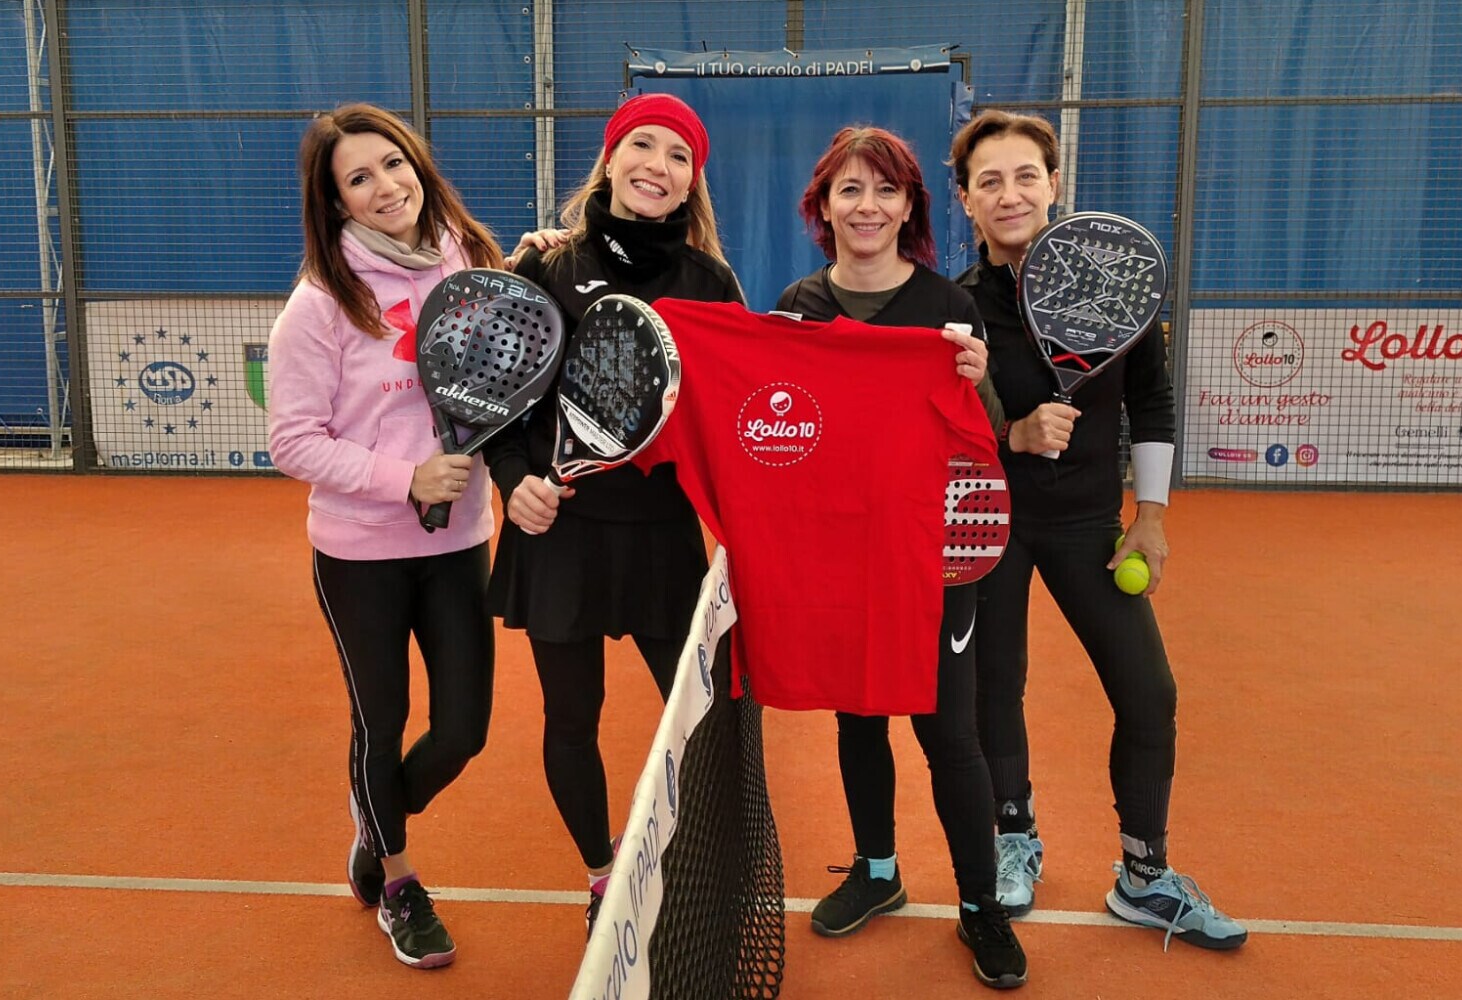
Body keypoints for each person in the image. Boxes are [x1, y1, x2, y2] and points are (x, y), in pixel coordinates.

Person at [949, 110, 1247, 950]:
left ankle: (1144, 876)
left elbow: (1150, 400)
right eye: (989, 181)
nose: (1009, 194)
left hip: (1087, 521)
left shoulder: (1120, 285)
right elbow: (940, 426)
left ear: (1054, 185)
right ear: (966, 200)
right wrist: (1011, 431)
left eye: (1026, 176)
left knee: (1149, 693)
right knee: (995, 688)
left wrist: (1149, 516)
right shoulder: (957, 306)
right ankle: (1013, 838)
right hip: (992, 520)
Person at [482, 93, 745, 934]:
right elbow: (503, 400)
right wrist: (513, 481)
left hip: (664, 536)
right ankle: (602, 877)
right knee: (572, 718)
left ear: (692, 180)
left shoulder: (711, 283)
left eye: (678, 154)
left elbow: (736, 414)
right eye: (642, 145)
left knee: (706, 718)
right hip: (559, 535)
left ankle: (696, 866)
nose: (656, 165)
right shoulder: (546, 267)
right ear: (610, 158)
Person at [774, 125, 1026, 990]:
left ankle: (980, 905)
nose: (868, 206)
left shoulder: (949, 308)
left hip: (934, 560)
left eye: (885, 190)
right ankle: (877, 871)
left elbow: (989, 436)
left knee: (949, 732)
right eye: (850, 189)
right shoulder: (799, 307)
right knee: (858, 718)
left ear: (911, 205)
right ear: (824, 205)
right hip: (841, 557)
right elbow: (783, 429)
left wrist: (979, 377)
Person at [265, 102, 505, 969]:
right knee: (383, 719)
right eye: (358, 179)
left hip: (458, 543)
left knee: (464, 730)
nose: (385, 186)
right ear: (336, 204)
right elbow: (292, 442)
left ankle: (374, 823)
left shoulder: (468, 259)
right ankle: (398, 881)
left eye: (393, 164)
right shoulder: (318, 305)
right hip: (360, 553)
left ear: (418, 165)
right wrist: (403, 479)